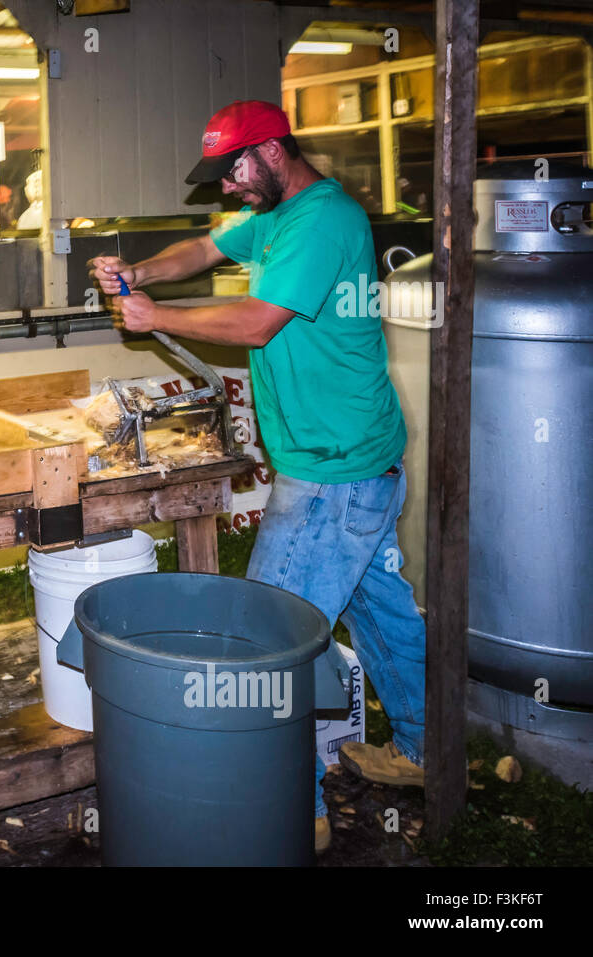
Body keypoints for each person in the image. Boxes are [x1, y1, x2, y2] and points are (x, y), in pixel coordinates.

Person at [90, 100, 425, 855]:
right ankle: (429, 748)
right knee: (384, 616)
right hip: (355, 461)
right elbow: (203, 252)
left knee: (268, 643)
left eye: (235, 169)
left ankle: (284, 806)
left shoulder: (324, 221)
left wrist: (157, 318)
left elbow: (256, 322)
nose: (229, 189)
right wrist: (138, 272)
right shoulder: (274, 215)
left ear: (273, 151)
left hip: (332, 474)